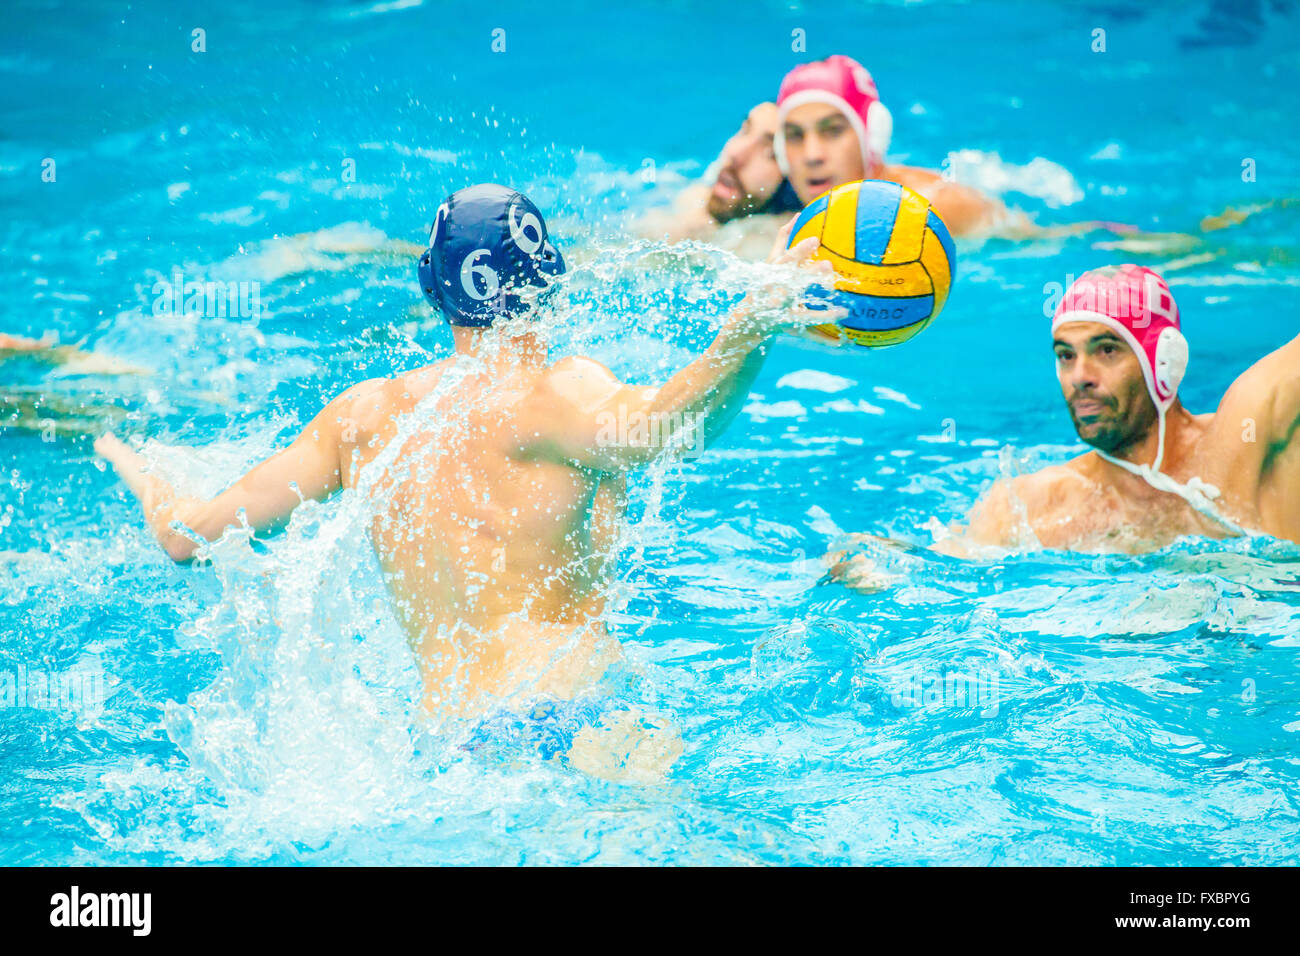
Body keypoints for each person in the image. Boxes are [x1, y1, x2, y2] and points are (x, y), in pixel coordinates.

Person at [95, 182, 835, 771]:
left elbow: (186, 535)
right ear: (553, 279)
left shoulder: (362, 418)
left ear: (435, 289)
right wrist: (750, 327)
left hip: (453, 755)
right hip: (578, 725)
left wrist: (144, 468)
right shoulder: (556, 393)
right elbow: (671, 428)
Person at [830, 264, 1299, 587]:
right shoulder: (1037, 507)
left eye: (1107, 350)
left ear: (1165, 360)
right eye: (1065, 355)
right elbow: (944, 569)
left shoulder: (1247, 441)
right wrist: (868, 558)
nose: (1080, 378)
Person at [637, 102, 803, 256]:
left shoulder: (772, 247)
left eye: (771, 152)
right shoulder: (693, 198)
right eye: (745, 130)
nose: (736, 154)